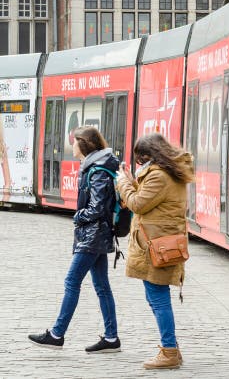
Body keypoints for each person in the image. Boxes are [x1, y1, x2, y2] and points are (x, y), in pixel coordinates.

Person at [28, 126, 121, 352]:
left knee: (72, 282)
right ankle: (111, 338)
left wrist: (79, 216)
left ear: (84, 144)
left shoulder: (97, 170)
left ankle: (57, 334)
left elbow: (97, 206)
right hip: (95, 234)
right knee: (101, 286)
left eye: (74, 141)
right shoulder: (95, 166)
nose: (72, 145)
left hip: (92, 235)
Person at [116, 132, 194, 370]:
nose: (140, 164)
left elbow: (138, 203)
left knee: (158, 299)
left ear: (151, 155)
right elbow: (146, 199)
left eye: (141, 159)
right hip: (158, 241)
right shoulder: (166, 173)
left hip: (156, 245)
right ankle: (172, 350)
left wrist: (122, 183)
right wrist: (132, 181)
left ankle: (169, 351)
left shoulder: (159, 176)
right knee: (155, 297)